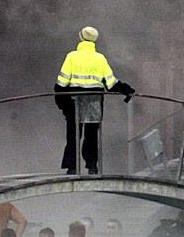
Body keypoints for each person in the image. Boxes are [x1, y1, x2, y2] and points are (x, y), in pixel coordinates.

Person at [54, 26, 135, 174]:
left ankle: (72, 167)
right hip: (94, 102)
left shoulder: (71, 57)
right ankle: (92, 166)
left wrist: (61, 103)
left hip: (73, 101)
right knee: (91, 136)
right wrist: (127, 90)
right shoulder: (100, 59)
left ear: (81, 38)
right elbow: (111, 84)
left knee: (73, 136)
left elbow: (61, 83)